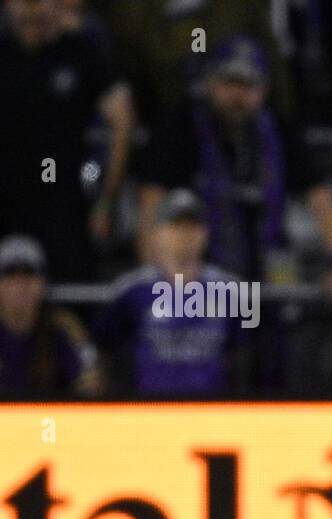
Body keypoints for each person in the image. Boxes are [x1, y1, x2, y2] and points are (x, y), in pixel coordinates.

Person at [136, 36, 332, 281]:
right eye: (230, 83)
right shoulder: (180, 126)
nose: (238, 95)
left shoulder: (279, 129)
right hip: (195, 277)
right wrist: (153, 275)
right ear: (210, 81)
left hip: (267, 270)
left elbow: (320, 196)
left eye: (248, 85)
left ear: (264, 89)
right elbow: (152, 201)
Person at [0, 0, 134, 278]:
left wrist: (106, 201)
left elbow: (123, 119)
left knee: (73, 290)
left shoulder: (81, 53)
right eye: (23, 3)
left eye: (38, 2)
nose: (31, 11)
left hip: (63, 202)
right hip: (6, 198)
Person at [95, 189, 245, 396]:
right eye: (176, 227)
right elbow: (105, 347)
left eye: (192, 227)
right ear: (158, 233)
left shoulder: (231, 292)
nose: (184, 236)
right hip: (151, 413)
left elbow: (245, 353)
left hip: (212, 413)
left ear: (205, 233)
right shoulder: (132, 291)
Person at [0, 235, 100, 396]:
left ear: (43, 282)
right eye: (10, 275)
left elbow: (92, 383)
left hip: (49, 418)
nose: (21, 285)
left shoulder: (62, 328)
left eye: (29, 273)